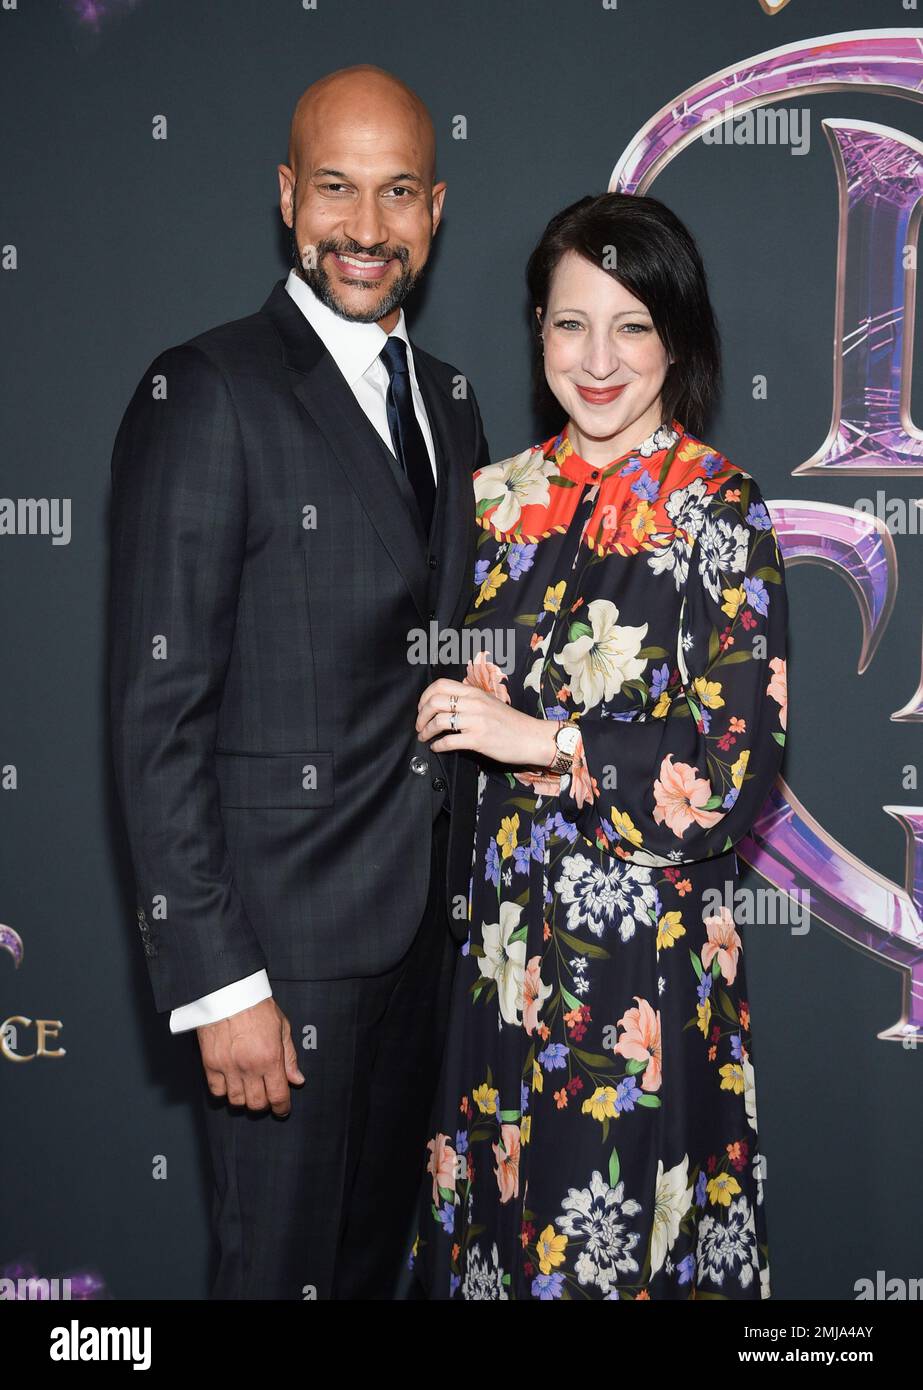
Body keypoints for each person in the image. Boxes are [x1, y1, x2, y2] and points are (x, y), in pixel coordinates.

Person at [108, 65, 487, 1299]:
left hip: (428, 950)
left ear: (434, 211)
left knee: (377, 1272)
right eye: (334, 188)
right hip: (281, 962)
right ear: (285, 197)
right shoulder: (206, 390)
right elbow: (158, 719)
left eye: (393, 196)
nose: (364, 230)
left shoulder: (452, 403)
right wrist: (220, 984)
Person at [408, 191, 789, 1300]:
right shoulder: (487, 503)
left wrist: (541, 738)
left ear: (675, 335)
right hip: (494, 967)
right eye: (571, 322)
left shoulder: (718, 507)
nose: (599, 357)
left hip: (643, 977)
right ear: (536, 330)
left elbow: (729, 767)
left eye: (631, 324)